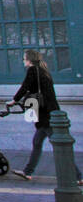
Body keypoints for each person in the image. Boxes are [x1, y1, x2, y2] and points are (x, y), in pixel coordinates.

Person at [8, 50, 82, 184]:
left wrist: (14, 100)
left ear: (29, 59)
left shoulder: (33, 70)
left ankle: (78, 176)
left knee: (60, 147)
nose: (23, 60)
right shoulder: (44, 70)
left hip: (46, 115)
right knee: (37, 143)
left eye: (24, 58)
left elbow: (25, 87)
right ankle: (27, 172)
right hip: (48, 113)